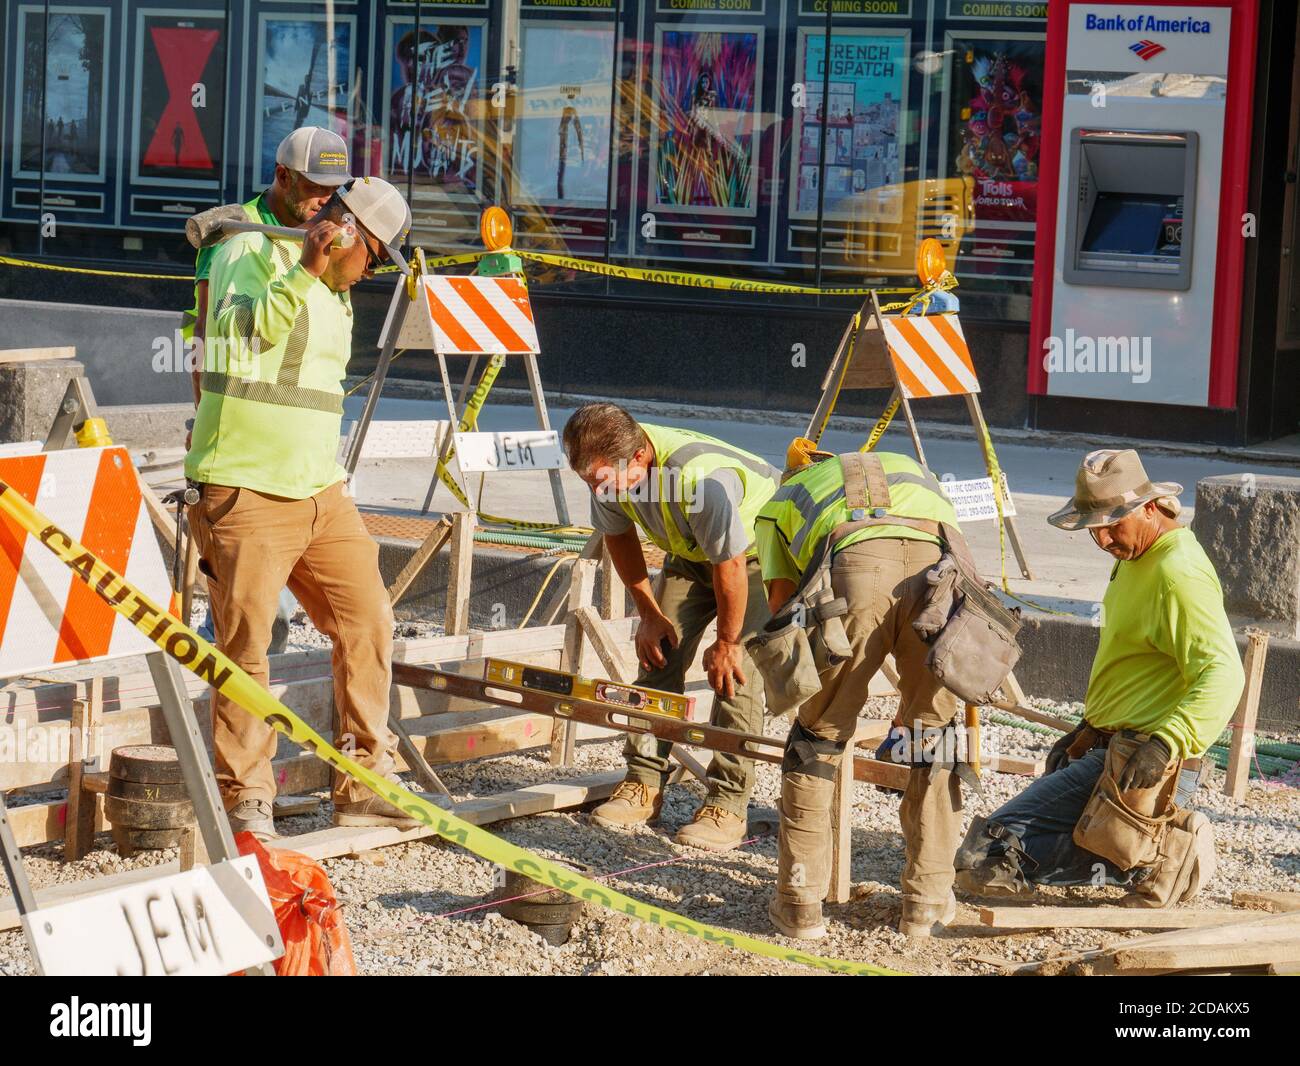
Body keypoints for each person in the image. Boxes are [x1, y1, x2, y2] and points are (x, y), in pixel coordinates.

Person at [186, 175, 413, 840]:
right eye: (370, 255)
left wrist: (322, 276)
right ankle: (246, 797)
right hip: (246, 488)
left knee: (368, 623)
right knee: (245, 651)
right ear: (342, 234)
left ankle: (364, 783)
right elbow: (236, 339)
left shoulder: (335, 291)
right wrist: (307, 270)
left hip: (319, 491)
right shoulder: (246, 250)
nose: (369, 272)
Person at [955, 449, 1245, 907]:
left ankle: (1161, 853)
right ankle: (1137, 848)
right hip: (1111, 746)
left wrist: (1167, 742)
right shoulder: (1135, 555)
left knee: (985, 860)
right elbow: (1134, 659)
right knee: (984, 856)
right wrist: (1088, 729)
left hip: (1144, 759)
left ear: (1150, 507)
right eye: (1095, 529)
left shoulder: (1177, 572)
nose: (1105, 540)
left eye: (1114, 525)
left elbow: (1224, 672)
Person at [752, 447, 968, 940]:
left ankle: (800, 904)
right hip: (940, 575)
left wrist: (814, 681)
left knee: (818, 737)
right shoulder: (913, 468)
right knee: (932, 739)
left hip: (855, 573)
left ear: (793, 473)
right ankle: (926, 905)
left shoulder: (784, 498)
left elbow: (784, 608)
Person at [562, 404, 779, 851]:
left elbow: (731, 565)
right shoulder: (605, 467)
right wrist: (648, 614)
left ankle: (728, 803)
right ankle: (643, 781)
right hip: (692, 554)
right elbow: (618, 536)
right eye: (591, 482)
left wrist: (728, 641)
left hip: (757, 558)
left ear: (641, 457)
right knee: (657, 653)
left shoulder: (703, 481)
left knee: (734, 674)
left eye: (604, 482)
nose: (599, 491)